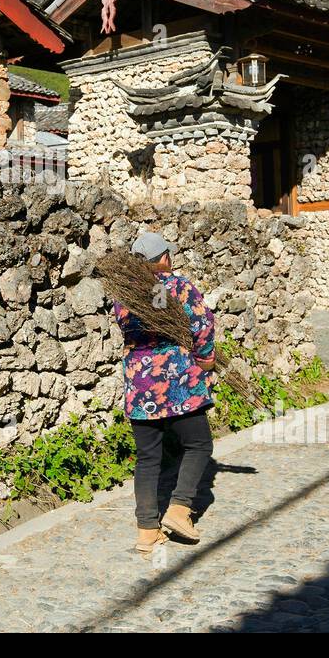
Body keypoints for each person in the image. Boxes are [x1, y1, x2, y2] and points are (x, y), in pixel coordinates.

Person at [112, 231, 217, 554]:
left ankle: (147, 531)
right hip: (176, 381)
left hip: (138, 383)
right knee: (199, 444)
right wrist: (206, 358)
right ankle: (179, 509)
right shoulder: (176, 287)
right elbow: (202, 324)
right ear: (164, 258)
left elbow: (136, 324)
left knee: (148, 457)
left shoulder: (124, 294)